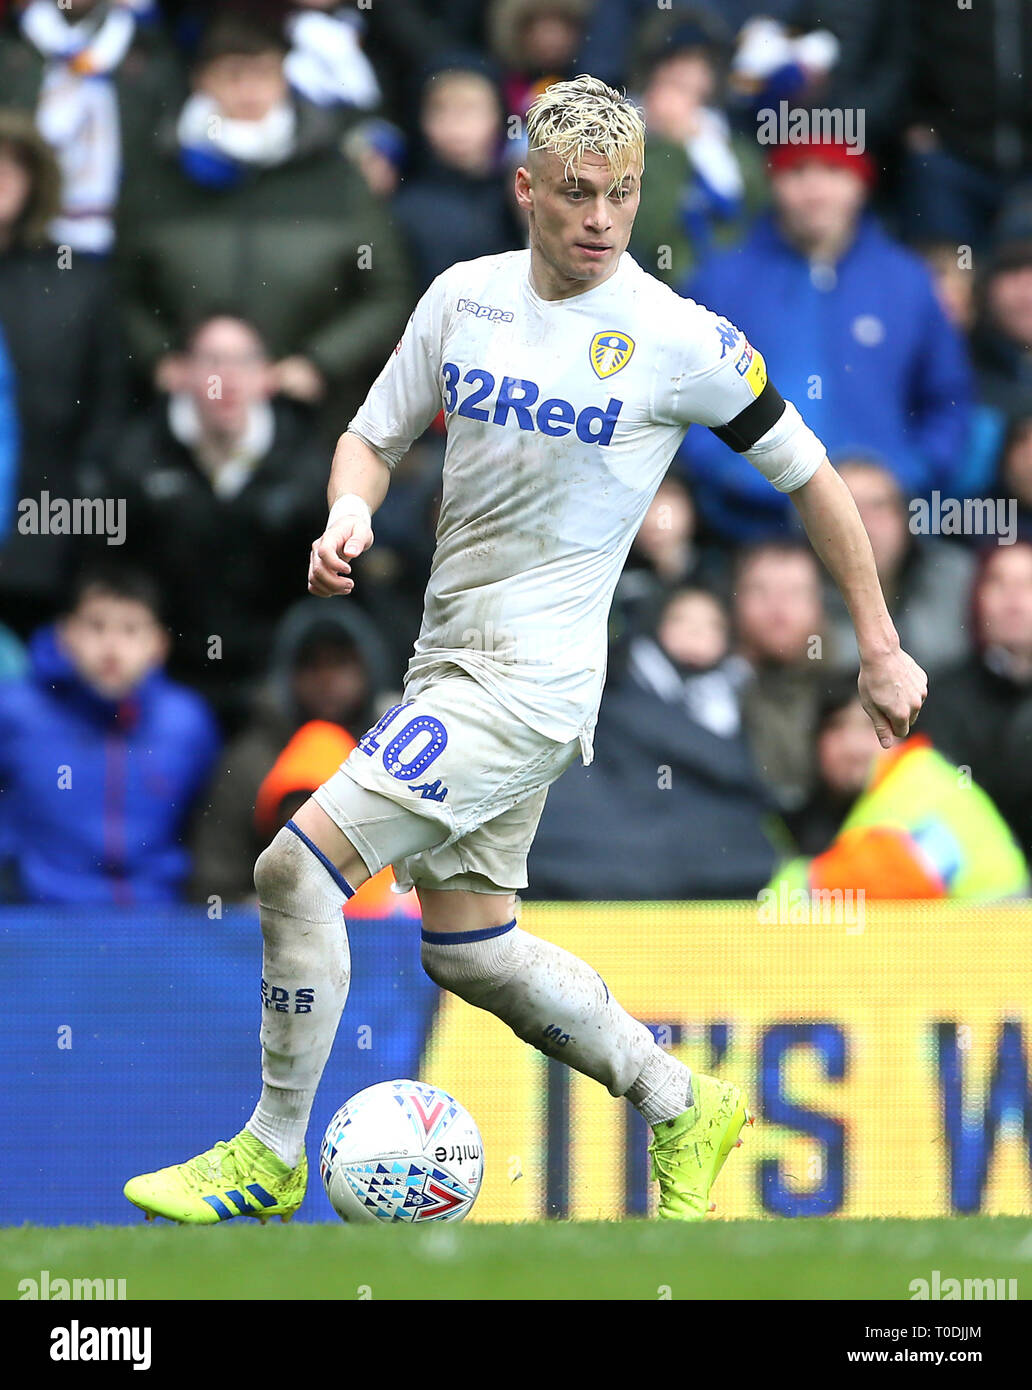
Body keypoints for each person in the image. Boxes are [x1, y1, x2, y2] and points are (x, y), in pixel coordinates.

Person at [123, 75, 926, 1228]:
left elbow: (816, 481)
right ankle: (682, 1099)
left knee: (295, 868)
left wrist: (880, 648)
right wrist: (349, 509)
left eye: (622, 195)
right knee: (471, 952)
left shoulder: (679, 337)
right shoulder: (463, 299)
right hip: (446, 662)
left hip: (532, 686)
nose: (601, 218)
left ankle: (271, 1152)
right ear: (525, 191)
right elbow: (368, 434)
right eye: (576, 194)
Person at [678, 136, 973, 541]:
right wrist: (744, 479)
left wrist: (901, 476)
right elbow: (682, 401)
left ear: (861, 184)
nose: (815, 191)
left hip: (884, 536)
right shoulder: (719, 281)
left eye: (834, 172)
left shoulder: (908, 281)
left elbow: (949, 399)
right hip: (749, 531)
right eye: (798, 172)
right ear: (774, 183)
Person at [106, 313, 329, 732]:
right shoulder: (133, 462)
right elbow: (114, 577)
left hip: (274, 683)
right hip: (162, 683)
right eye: (212, 361)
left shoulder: (308, 467)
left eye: (243, 362)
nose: (226, 378)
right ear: (179, 372)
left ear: (267, 376)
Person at [529, 585, 775, 899]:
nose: (696, 633)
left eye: (711, 625)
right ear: (657, 624)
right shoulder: (610, 687)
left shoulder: (747, 701)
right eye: (682, 620)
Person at [0, 564, 220, 904]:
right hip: (35, 929)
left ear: (159, 645)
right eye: (96, 626)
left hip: (164, 931)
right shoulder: (15, 713)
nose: (112, 647)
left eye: (131, 629)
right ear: (65, 634)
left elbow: (212, 831)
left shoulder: (187, 722)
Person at [0, 109, 125, 635]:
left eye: (9, 165)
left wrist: (79, 515)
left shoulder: (75, 282)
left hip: (40, 546)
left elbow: (106, 411)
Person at [769, 679, 1029, 901]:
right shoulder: (851, 803)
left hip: (999, 950)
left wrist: (791, 888)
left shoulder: (923, 785)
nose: (852, 746)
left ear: (902, 729)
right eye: (836, 728)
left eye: (871, 727)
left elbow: (900, 875)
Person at [920, 542, 1032, 864]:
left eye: (1027, 584)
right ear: (976, 600)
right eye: (999, 583)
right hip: (976, 887)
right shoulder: (939, 697)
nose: (1015, 601)